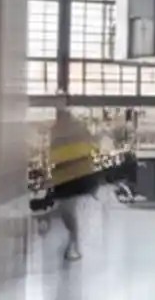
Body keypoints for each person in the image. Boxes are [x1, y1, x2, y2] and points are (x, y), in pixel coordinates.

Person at [49, 109, 99, 261]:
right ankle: (73, 242)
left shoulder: (77, 130)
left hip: (75, 177)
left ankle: (74, 244)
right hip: (64, 176)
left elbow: (89, 149)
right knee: (66, 211)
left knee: (69, 210)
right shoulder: (57, 131)